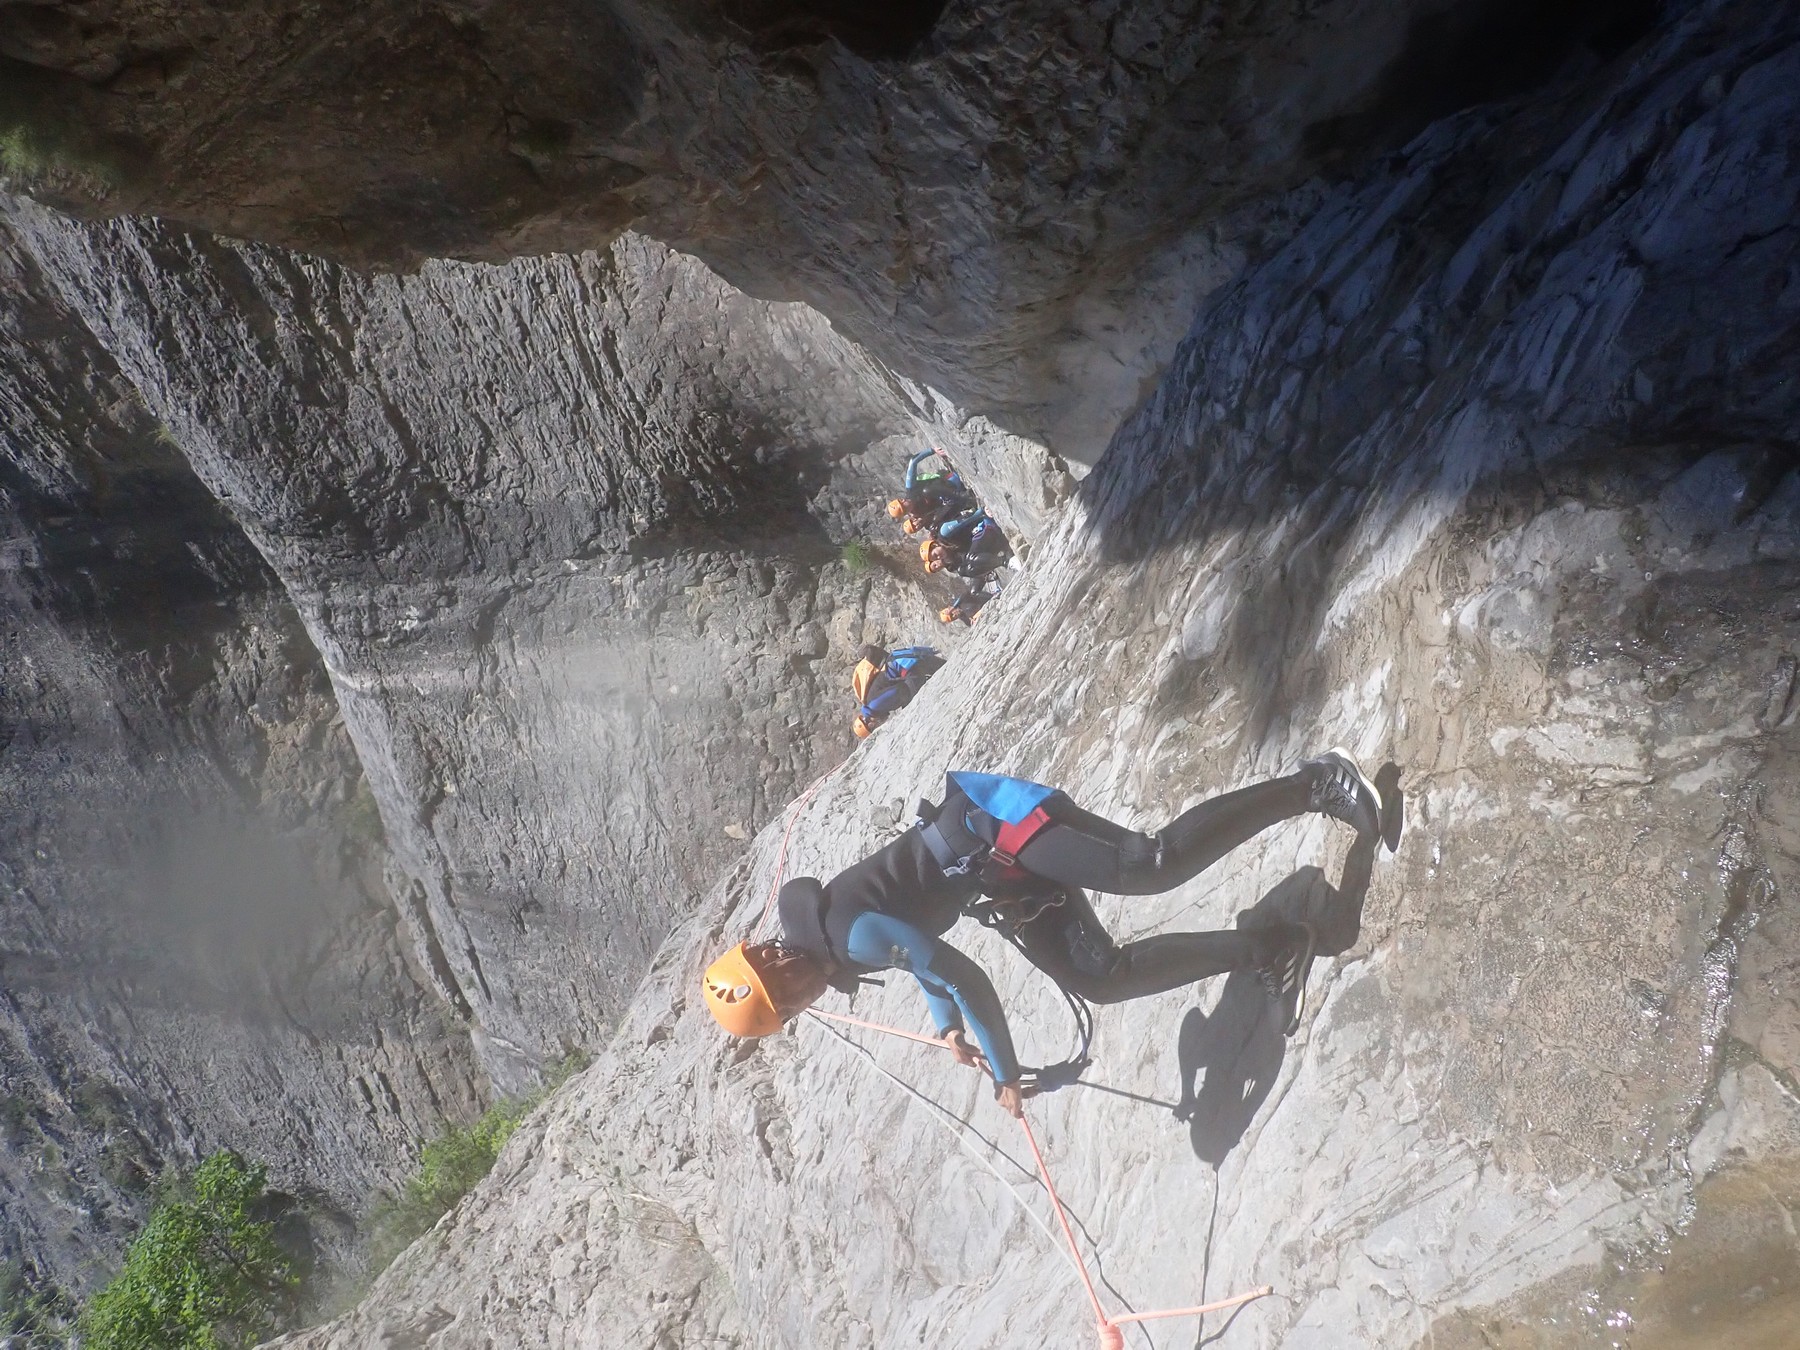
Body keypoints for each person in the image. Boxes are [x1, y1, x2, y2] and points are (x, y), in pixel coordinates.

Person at [704, 753, 1398, 1116]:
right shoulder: (832, 940)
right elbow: (918, 955)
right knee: (1101, 976)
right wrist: (947, 1028)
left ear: (788, 989)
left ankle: (1313, 785)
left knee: (1148, 865)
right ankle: (1270, 948)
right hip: (996, 870)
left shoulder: (844, 940)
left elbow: (959, 974)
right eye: (784, 996)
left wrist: (1006, 1075)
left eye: (785, 992)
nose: (795, 993)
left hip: (994, 828)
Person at [850, 643, 945, 738]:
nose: (879, 725)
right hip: (903, 660)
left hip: (906, 667)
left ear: (871, 725)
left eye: (874, 728)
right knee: (944, 668)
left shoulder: (874, 705)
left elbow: (901, 691)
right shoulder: (872, 702)